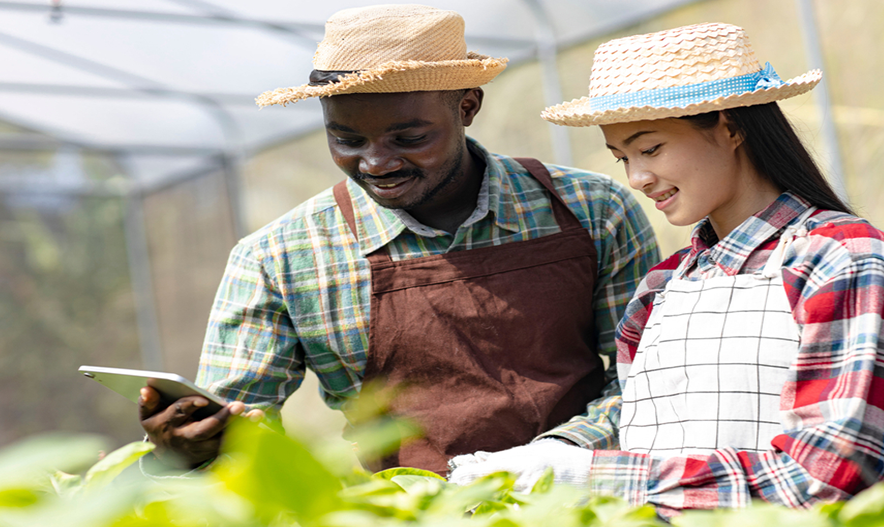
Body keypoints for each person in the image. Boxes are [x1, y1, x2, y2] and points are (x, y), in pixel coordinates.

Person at [448, 22, 884, 517]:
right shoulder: (662, 287)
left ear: (731, 127)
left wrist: (589, 475)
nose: (637, 178)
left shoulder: (842, 261)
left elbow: (832, 478)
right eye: (622, 157)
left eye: (650, 148)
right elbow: (643, 423)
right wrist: (542, 458)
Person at [137, 4, 660, 476]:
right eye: (346, 139)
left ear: (467, 106)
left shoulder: (592, 209)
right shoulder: (279, 258)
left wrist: (559, 453)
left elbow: (652, 380)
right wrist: (191, 448)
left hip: (582, 497)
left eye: (409, 138)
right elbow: (238, 425)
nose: (377, 163)